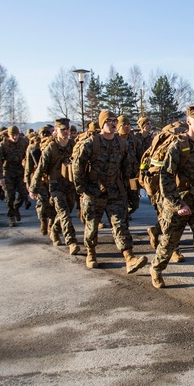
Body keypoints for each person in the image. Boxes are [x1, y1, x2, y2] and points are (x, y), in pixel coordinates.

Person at [148, 106, 194, 306]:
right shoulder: (178, 146)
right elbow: (166, 176)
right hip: (180, 205)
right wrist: (177, 203)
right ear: (188, 121)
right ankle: (156, 268)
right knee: (169, 243)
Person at [72, 110, 147, 273]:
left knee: (121, 224)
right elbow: (77, 166)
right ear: (101, 124)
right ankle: (91, 253)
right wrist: (82, 189)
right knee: (92, 225)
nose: (113, 124)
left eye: (114, 121)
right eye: (109, 121)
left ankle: (129, 257)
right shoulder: (91, 143)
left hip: (115, 191)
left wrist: (129, 190)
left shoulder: (121, 144)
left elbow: (127, 168)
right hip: (94, 192)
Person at [31, 119, 83, 256]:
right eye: (62, 130)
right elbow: (40, 168)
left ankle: (54, 230)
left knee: (65, 213)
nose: (66, 132)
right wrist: (34, 187)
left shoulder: (74, 145)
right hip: (55, 185)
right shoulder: (51, 148)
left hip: (70, 185)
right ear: (56, 131)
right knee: (64, 213)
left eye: (67, 129)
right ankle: (71, 242)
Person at [0, 125, 29, 227]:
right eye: (12, 135)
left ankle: (16, 208)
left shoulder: (23, 143)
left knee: (23, 194)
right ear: (8, 135)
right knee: (10, 196)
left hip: (20, 171)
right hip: (8, 172)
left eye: (16, 135)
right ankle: (11, 216)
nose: (15, 137)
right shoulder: (2, 145)